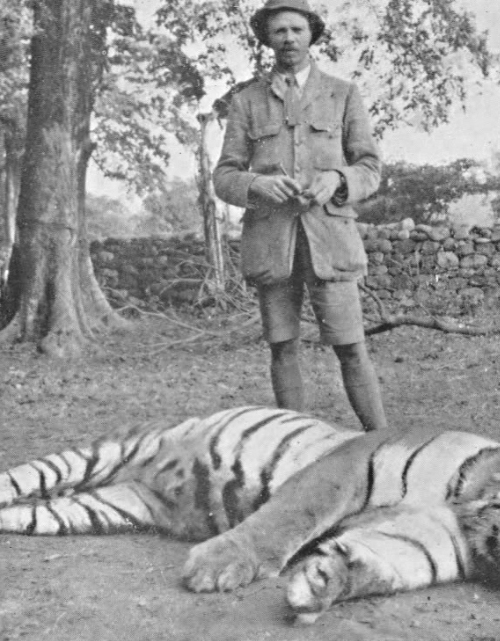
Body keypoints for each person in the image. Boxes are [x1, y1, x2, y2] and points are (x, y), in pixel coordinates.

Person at [213, 0, 388, 431]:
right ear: (266, 40)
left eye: (296, 29)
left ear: (312, 34)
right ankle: (295, 445)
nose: (288, 38)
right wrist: (257, 184)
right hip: (273, 243)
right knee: (282, 346)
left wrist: (337, 179)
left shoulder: (343, 93)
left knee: (350, 347)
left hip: (331, 240)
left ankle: (381, 443)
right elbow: (223, 176)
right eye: (279, 32)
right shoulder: (246, 101)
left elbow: (370, 168)